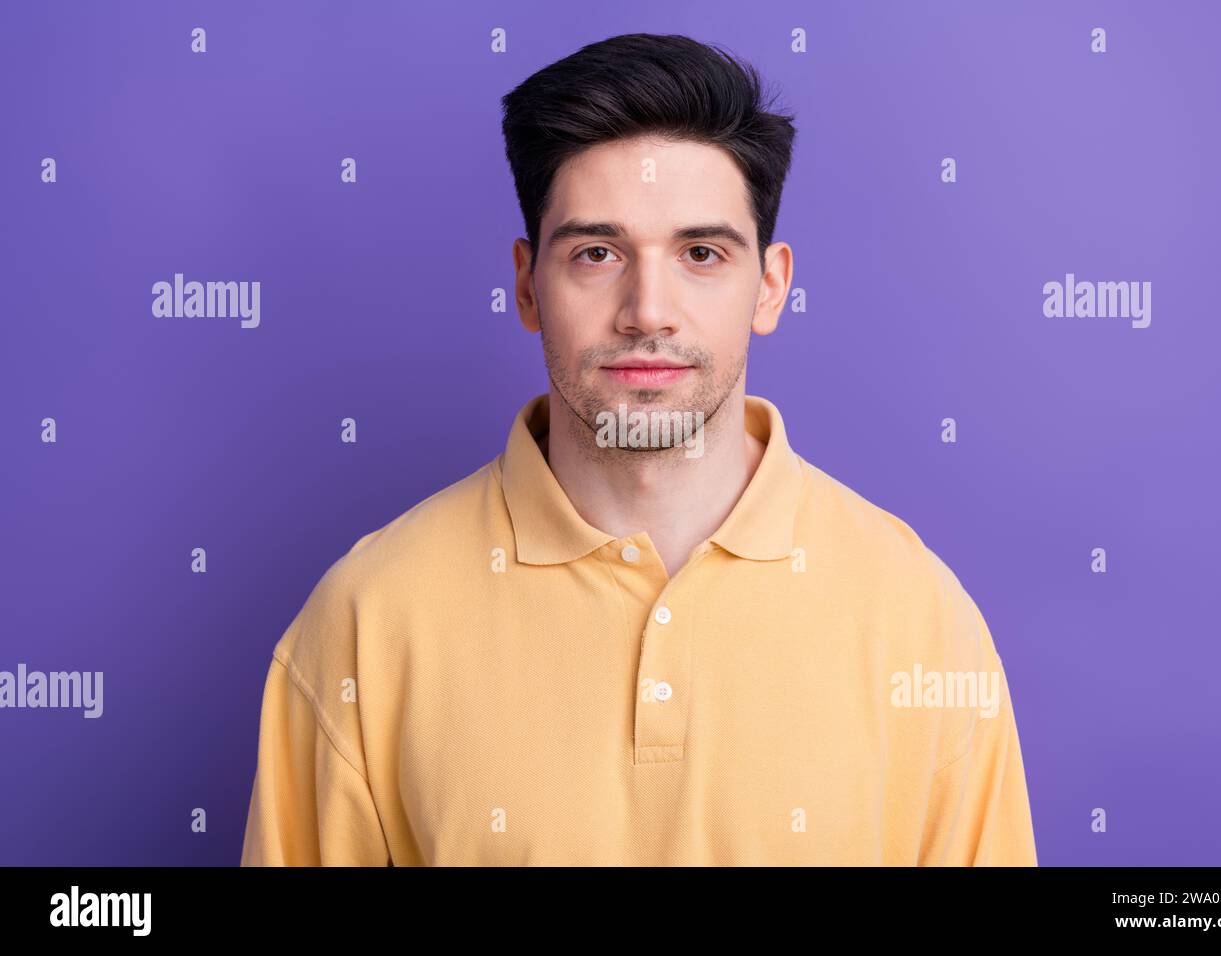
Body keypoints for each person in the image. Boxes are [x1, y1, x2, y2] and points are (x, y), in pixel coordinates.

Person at [240, 32, 1036, 866]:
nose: (647, 309)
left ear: (769, 285)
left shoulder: (920, 620)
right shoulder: (365, 620)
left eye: (700, 253)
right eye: (597, 253)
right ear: (525, 285)